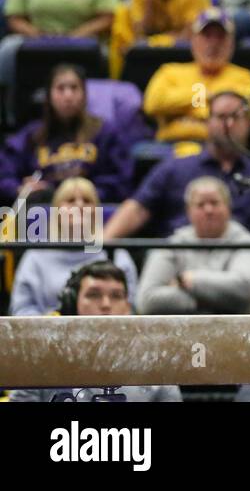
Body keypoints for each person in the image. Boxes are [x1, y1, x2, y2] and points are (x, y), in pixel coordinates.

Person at [5, 262, 183, 402]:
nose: (106, 304)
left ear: (128, 307)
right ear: (72, 303)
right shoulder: (42, 357)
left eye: (116, 296)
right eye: (94, 295)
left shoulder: (155, 362)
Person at [106, 90, 250, 238]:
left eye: (236, 117)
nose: (229, 124)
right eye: (221, 117)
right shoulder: (175, 168)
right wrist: (102, 244)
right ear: (207, 122)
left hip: (241, 256)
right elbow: (138, 208)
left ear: (249, 123)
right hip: (181, 253)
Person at [0, 64, 131, 205]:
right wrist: (19, 189)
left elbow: (120, 181)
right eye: (60, 89)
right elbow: (4, 175)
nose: (68, 96)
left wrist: (83, 195)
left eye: (74, 88)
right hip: (43, 212)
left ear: (84, 94)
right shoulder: (31, 135)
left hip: (90, 210)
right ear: (49, 95)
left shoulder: (105, 133)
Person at [7, 178, 137, 316]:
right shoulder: (36, 255)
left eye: (87, 201)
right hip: (46, 333)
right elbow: (21, 309)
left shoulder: (116, 254)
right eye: (70, 200)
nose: (79, 205)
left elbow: (130, 309)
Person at [136, 176, 250, 315]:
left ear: (228, 206)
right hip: (184, 332)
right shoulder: (172, 246)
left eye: (214, 203)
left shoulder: (247, 242)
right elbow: (147, 301)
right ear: (188, 211)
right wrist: (215, 299)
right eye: (200, 204)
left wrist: (191, 280)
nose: (208, 210)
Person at [140, 8, 250, 143]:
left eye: (220, 36)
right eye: (207, 36)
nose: (213, 44)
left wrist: (180, 109)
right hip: (171, 149)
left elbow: (247, 110)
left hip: (223, 151)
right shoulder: (169, 72)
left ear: (231, 43)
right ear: (193, 40)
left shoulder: (244, 77)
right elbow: (152, 104)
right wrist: (205, 96)